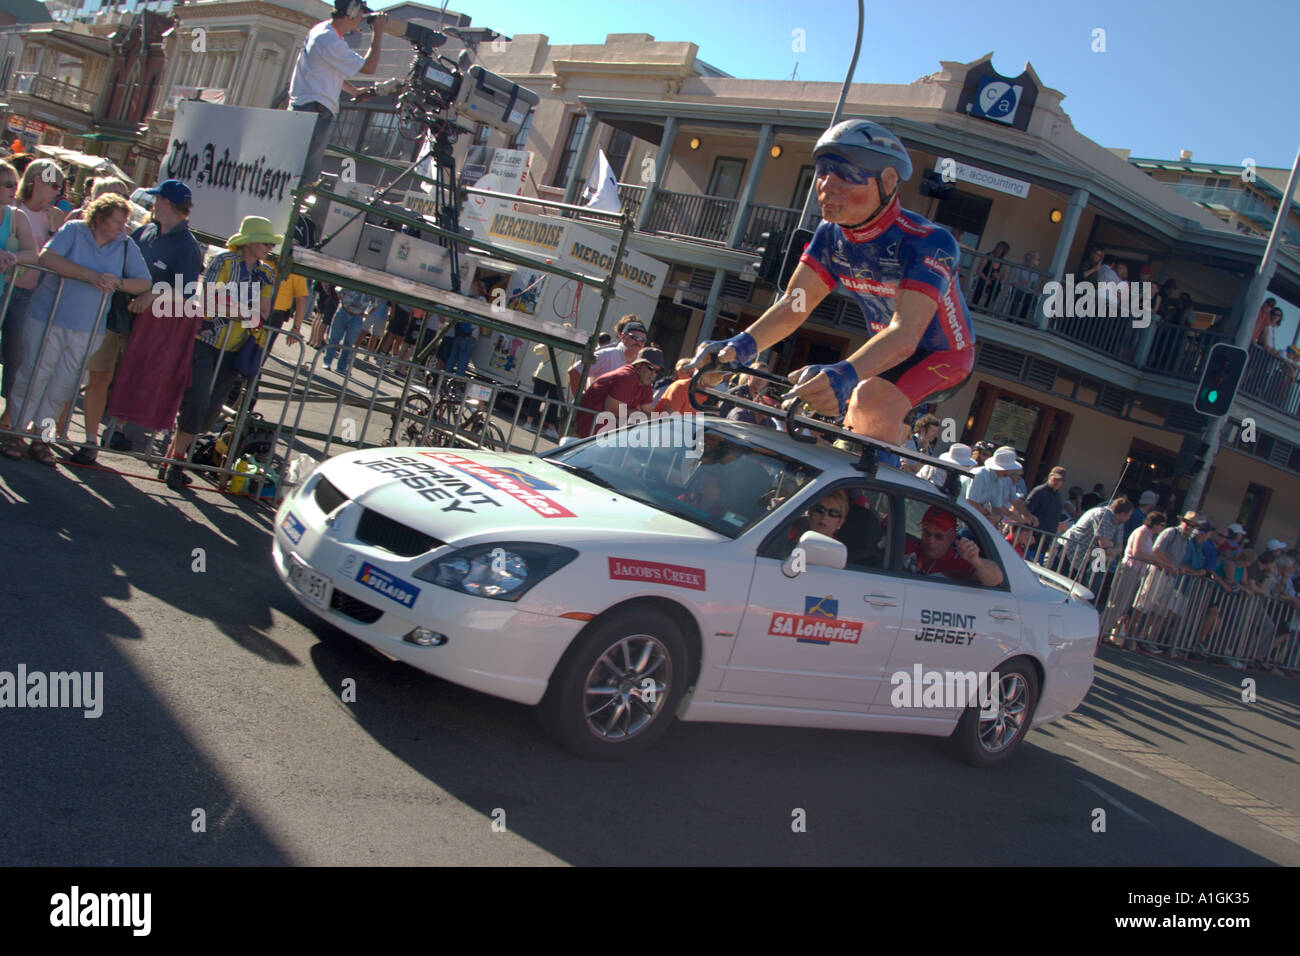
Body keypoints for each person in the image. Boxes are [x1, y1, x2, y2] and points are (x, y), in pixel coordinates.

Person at [690, 119, 975, 448]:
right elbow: (794, 306)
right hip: (889, 346)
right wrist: (740, 346)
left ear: (888, 181)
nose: (825, 187)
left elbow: (907, 334)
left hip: (944, 355)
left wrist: (846, 373)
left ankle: (865, 496)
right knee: (842, 425)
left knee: (870, 402)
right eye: (822, 173)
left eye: (844, 177)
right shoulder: (830, 235)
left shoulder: (928, 242)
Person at [0, 194, 151, 465]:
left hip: (88, 327)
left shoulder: (126, 245)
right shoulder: (74, 230)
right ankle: (14, 431)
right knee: (34, 374)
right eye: (117, 220)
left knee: (63, 384)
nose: (122, 226)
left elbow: (143, 282)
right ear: (100, 217)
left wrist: (117, 282)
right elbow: (47, 257)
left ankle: (41, 437)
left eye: (124, 221)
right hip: (48, 317)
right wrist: (90, 276)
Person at [162, 215, 277, 489]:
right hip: (206, 342)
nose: (269, 248)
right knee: (197, 400)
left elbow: (262, 313)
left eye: (271, 244)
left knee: (211, 411)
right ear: (248, 241)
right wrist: (242, 311)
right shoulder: (223, 261)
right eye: (265, 242)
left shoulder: (267, 273)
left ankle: (172, 457)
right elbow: (210, 301)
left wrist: (233, 306)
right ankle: (177, 460)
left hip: (235, 349)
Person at [98, 180, 206, 459]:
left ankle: (116, 429)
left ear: (166, 204)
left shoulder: (187, 246)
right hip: (117, 312)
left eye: (158, 200)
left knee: (128, 375)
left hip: (150, 326)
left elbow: (186, 292)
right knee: (102, 372)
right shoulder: (145, 230)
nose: (154, 204)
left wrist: (152, 296)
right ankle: (94, 429)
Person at [287, 0, 388, 187]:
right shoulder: (329, 39)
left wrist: (355, 91)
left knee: (296, 169)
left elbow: (327, 73)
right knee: (305, 176)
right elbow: (369, 67)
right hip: (315, 110)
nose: (361, 20)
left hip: (308, 108)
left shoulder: (323, 31)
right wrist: (378, 33)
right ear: (351, 12)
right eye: (360, 14)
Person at [1, 158, 66, 405]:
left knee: (16, 356)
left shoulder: (57, 216)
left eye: (61, 187)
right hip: (3, 286)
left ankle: (8, 419)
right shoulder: (13, 207)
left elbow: (55, 257)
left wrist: (54, 230)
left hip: (29, 295)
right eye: (54, 185)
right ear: (37, 181)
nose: (58, 191)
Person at [0, 159, 37, 409]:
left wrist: (13, 257)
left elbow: (32, 254)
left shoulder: (16, 216)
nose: (14, 188)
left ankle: (9, 415)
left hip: (4, 293)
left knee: (14, 355)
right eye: (7, 184)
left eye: (16, 183)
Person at [902, 505, 1003, 587]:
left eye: (939, 536)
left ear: (952, 536)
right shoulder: (908, 545)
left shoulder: (959, 563)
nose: (931, 541)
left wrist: (977, 561)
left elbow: (996, 580)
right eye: (926, 533)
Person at [575, 347, 663, 438]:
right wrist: (637, 413)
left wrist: (636, 414)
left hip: (604, 434)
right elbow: (613, 410)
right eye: (650, 368)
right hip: (584, 433)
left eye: (657, 371)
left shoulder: (645, 382)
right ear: (638, 365)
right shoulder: (627, 377)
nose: (653, 374)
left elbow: (649, 415)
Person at [568, 315, 646, 395]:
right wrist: (582, 401)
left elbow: (622, 400)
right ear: (622, 336)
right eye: (634, 337)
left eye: (643, 340)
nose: (638, 342)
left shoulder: (640, 365)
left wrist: (623, 408)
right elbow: (575, 371)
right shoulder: (607, 355)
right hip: (594, 406)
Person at [321, 286, 373, 374]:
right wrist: (343, 301)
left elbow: (376, 303)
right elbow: (338, 290)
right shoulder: (353, 279)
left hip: (357, 316)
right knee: (334, 339)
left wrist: (367, 313)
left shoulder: (373, 287)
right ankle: (327, 362)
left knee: (349, 344)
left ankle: (341, 367)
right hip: (343, 311)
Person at [972, 240, 1010, 309]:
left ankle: (987, 307)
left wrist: (997, 276)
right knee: (981, 283)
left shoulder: (1002, 261)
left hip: (993, 281)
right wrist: (986, 279)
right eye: (1004, 251)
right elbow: (979, 270)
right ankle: (974, 304)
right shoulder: (988, 256)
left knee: (997, 286)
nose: (1004, 254)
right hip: (983, 277)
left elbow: (1003, 276)